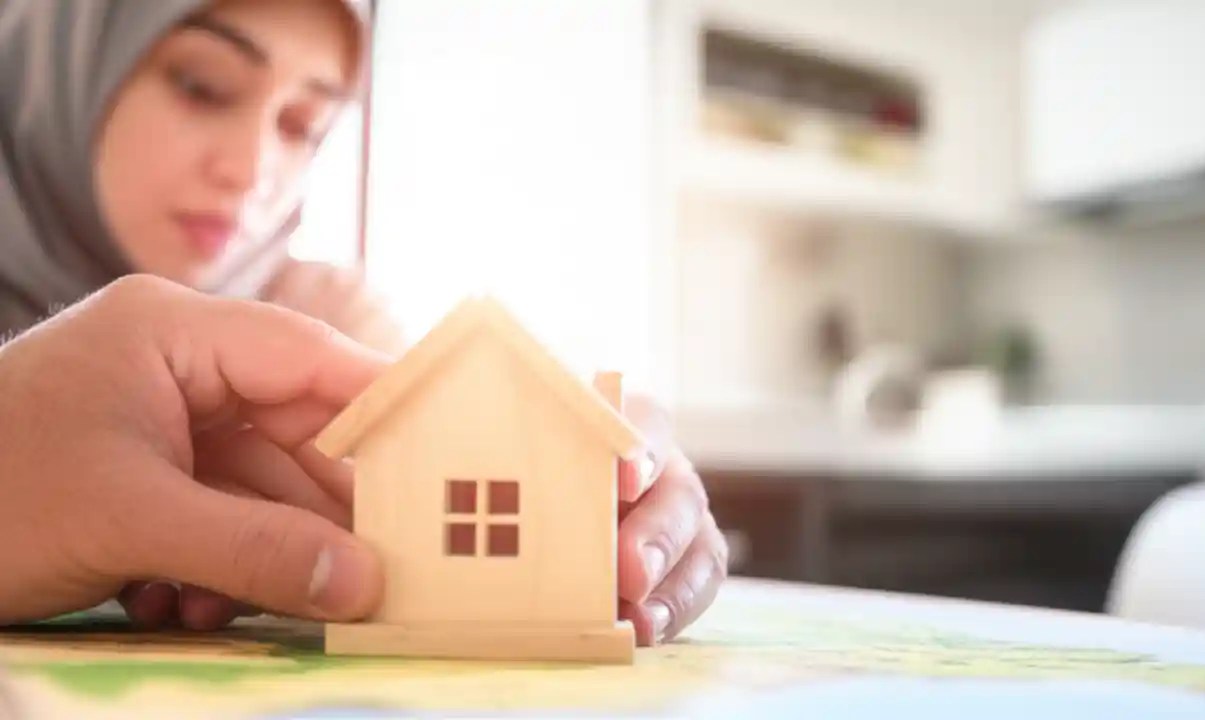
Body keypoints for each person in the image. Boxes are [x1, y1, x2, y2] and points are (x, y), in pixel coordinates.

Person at [0, 0, 726, 645]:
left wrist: (585, 476)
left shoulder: (327, 317)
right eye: (202, 86)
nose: (253, 169)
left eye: (302, 125)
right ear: (56, 62)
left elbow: (446, 461)